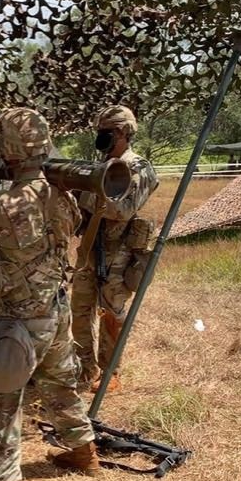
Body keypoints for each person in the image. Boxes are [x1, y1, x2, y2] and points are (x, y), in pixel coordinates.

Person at [0, 107, 99, 481]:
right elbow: (70, 227)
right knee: (61, 382)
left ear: (6, 150)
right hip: (54, 310)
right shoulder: (62, 195)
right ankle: (82, 451)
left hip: (16, 319)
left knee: (3, 400)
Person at [71, 105, 158, 393]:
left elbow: (122, 209)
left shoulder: (139, 167)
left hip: (119, 252)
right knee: (80, 310)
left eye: (106, 132)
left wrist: (83, 194)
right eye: (99, 131)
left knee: (112, 313)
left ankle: (111, 373)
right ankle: (84, 368)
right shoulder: (99, 166)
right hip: (91, 246)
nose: (101, 137)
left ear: (123, 133)